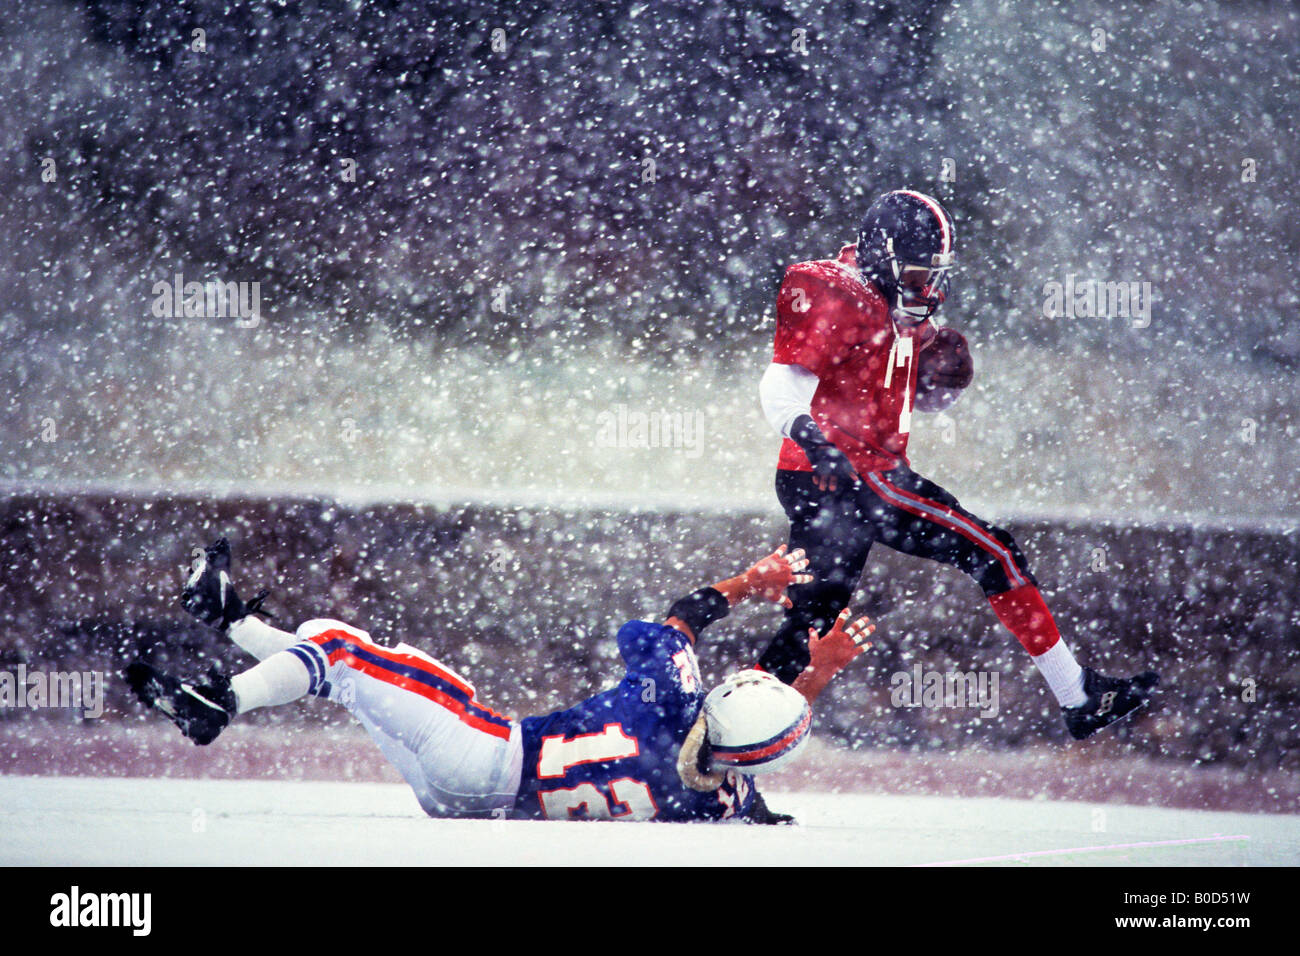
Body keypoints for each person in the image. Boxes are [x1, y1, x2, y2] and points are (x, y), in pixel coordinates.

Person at [755, 188, 1157, 740]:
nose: (929, 286)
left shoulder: (892, 304)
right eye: (919, 272)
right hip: (848, 474)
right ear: (883, 256)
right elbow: (781, 383)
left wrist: (937, 380)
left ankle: (714, 743)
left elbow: (893, 388)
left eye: (934, 273)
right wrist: (817, 440)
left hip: (839, 476)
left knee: (808, 628)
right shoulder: (835, 289)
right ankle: (1079, 695)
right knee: (994, 552)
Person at [126, 539, 874, 822]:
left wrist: (751, 580)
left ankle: (216, 702)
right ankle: (229, 623)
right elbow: (751, 747)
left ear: (717, 700)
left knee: (339, 646)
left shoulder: (668, 695)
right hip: (469, 802)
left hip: (487, 750)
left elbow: (684, 616)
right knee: (346, 676)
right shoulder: (717, 803)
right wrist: (811, 680)